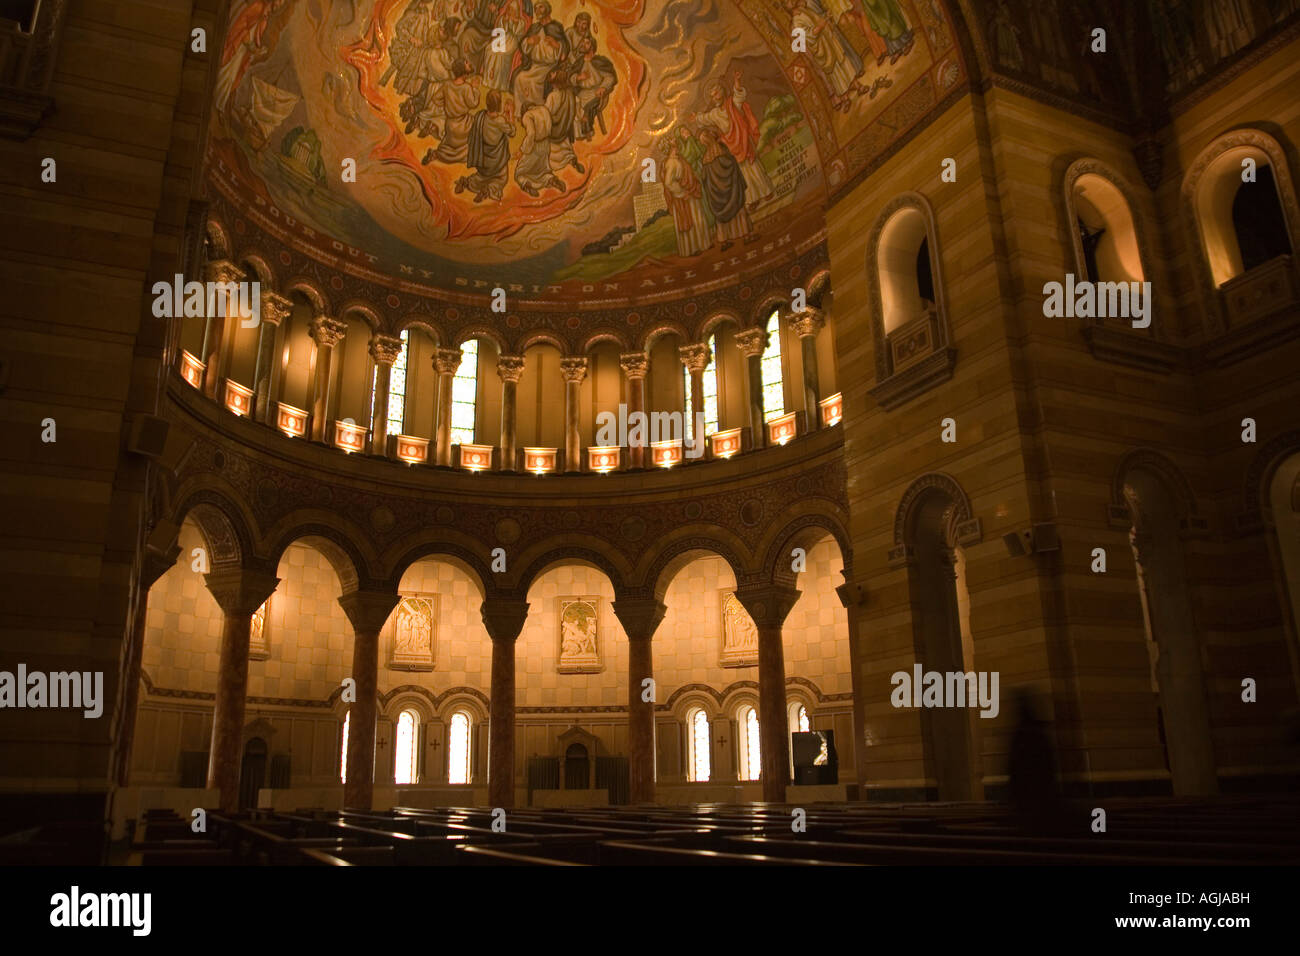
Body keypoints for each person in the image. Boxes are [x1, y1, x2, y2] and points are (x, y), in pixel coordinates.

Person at [691, 70, 775, 209]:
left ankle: (766, 192)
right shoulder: (714, 113)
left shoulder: (732, 103)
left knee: (754, 166)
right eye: (713, 96)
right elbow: (704, 118)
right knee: (743, 173)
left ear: (722, 91)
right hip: (731, 145)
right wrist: (696, 118)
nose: (716, 97)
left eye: (717, 93)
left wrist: (737, 82)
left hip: (742, 139)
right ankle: (752, 199)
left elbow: (739, 96)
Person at [698, 127, 755, 251]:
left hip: (717, 196)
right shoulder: (722, 151)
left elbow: (705, 180)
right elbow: (731, 165)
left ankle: (724, 241)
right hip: (732, 192)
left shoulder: (705, 159)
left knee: (721, 217)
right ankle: (746, 235)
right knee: (738, 211)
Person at [457, 89, 516, 201]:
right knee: (501, 179)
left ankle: (467, 182)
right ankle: (489, 190)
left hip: (484, 162)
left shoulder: (481, 116)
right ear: (499, 104)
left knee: (480, 178)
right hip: (497, 163)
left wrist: (504, 116)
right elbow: (512, 131)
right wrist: (511, 114)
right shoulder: (500, 121)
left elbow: (493, 123)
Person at [513, 1, 569, 111]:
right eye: (536, 8)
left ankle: (536, 112)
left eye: (541, 7)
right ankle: (521, 112)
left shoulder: (556, 27)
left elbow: (565, 48)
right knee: (519, 78)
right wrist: (529, 41)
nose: (537, 10)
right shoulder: (534, 27)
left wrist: (556, 45)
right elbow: (523, 45)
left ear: (548, 10)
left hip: (549, 67)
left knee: (534, 83)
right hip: (533, 66)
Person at [423, 59, 481, 165]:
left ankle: (437, 154)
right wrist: (475, 89)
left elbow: (435, 99)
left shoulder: (447, 85)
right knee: (477, 131)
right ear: (463, 70)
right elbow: (473, 104)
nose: (469, 64)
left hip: (450, 125)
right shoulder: (466, 88)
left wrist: (447, 105)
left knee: (450, 145)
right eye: (467, 64)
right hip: (463, 124)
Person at [662, 136, 711, 257]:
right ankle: (692, 249)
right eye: (674, 147)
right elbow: (668, 182)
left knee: (697, 218)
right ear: (670, 149)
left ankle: (703, 244)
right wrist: (682, 192)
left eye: (676, 146)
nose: (677, 148)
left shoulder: (677, 160)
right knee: (690, 220)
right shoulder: (671, 163)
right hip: (683, 196)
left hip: (689, 192)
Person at [570, 37, 617, 140]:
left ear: (592, 47)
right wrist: (578, 78)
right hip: (582, 92)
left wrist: (603, 87)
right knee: (572, 102)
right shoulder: (579, 62)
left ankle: (587, 132)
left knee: (586, 106)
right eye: (582, 42)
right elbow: (571, 78)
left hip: (596, 92)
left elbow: (610, 77)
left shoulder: (599, 61)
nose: (583, 44)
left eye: (586, 43)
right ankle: (578, 134)